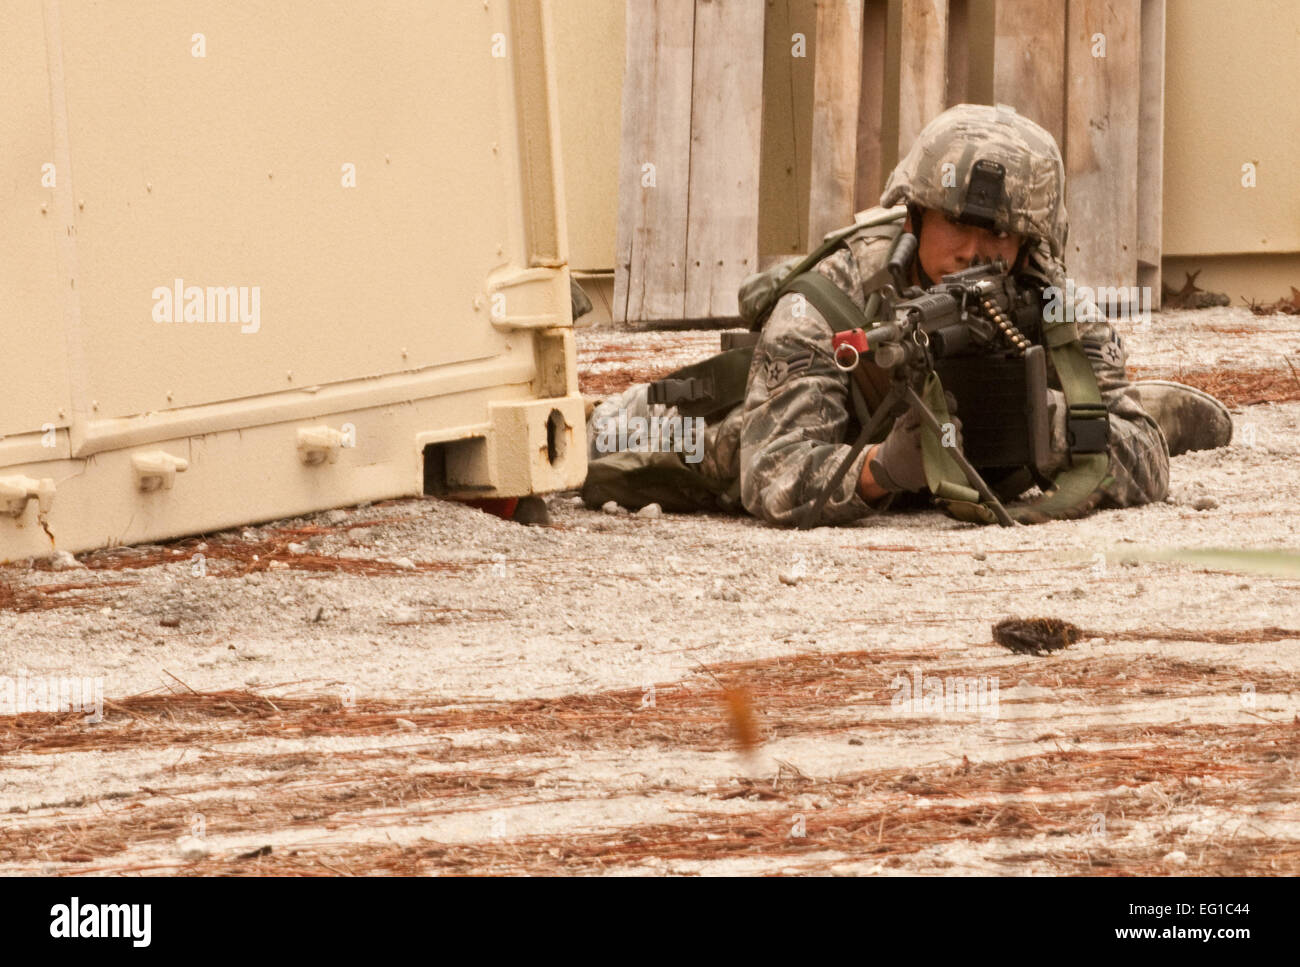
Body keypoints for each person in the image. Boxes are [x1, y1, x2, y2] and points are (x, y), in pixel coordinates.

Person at [584, 103, 1231, 526]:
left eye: (1000, 236)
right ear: (916, 215)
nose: (976, 252)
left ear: (1030, 241)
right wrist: (882, 470)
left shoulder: (1047, 297)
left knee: (1099, 410)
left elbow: (1146, 464)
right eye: (957, 224)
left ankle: (1138, 405)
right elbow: (772, 474)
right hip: (722, 427)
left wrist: (1056, 426)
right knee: (603, 450)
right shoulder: (827, 303)